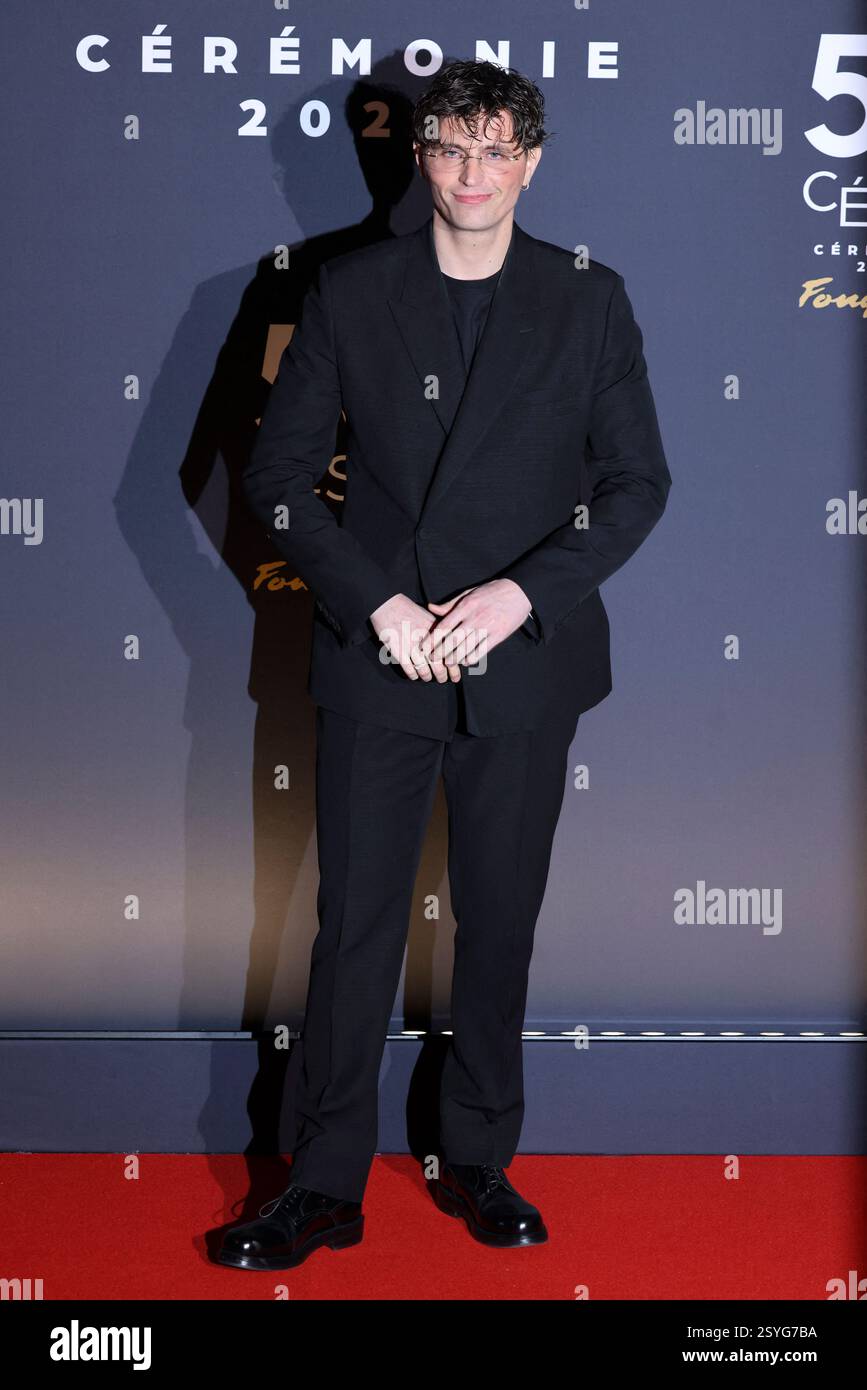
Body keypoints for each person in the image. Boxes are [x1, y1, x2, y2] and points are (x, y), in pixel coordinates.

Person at [218, 58, 671, 1271]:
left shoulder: (590, 300)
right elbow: (274, 478)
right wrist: (381, 607)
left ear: (531, 161)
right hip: (384, 659)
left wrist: (522, 592)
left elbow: (637, 485)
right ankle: (318, 1183)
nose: (472, 175)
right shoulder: (350, 293)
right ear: (421, 160)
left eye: (495, 151)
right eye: (450, 150)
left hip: (525, 662)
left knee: (500, 922)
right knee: (354, 924)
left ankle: (477, 1158)